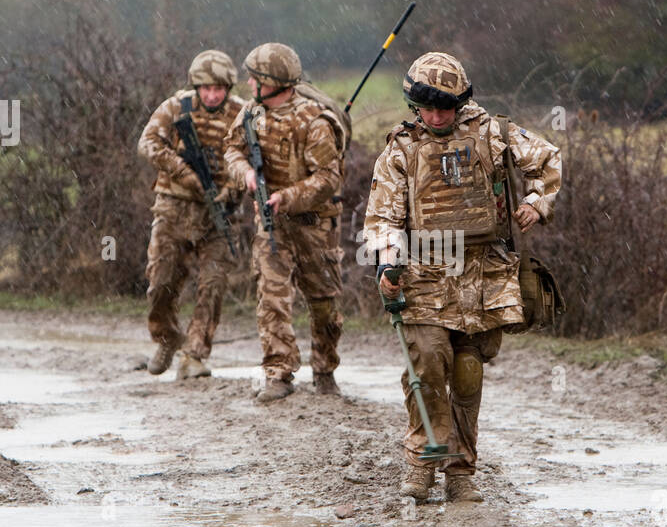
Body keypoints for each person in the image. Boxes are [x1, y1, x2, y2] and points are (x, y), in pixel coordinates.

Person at [364, 52, 562, 501]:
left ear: (461, 101)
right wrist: (386, 263)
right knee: (428, 363)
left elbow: (548, 162)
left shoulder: (493, 133)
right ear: (415, 106)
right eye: (428, 108)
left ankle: (460, 471)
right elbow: (381, 218)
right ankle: (421, 463)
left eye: (446, 108)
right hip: (424, 275)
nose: (437, 117)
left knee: (468, 372)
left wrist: (535, 202)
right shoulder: (402, 149)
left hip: (482, 275)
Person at [222, 43, 345, 403]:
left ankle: (325, 371)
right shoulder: (250, 114)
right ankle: (278, 372)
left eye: (255, 78)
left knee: (323, 304)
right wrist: (244, 172)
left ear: (275, 82)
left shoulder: (315, 122)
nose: (248, 83)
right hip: (271, 226)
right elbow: (232, 150)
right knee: (272, 297)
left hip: (314, 226)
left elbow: (328, 179)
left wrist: (286, 198)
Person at [137, 49, 245, 379]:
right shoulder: (176, 107)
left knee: (212, 284)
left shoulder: (242, 114)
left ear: (229, 88)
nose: (212, 95)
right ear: (195, 86)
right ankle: (168, 337)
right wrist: (185, 173)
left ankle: (195, 353)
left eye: (219, 89)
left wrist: (231, 188)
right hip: (174, 207)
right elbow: (149, 142)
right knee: (161, 282)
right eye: (206, 88)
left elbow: (254, 156)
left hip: (219, 213)